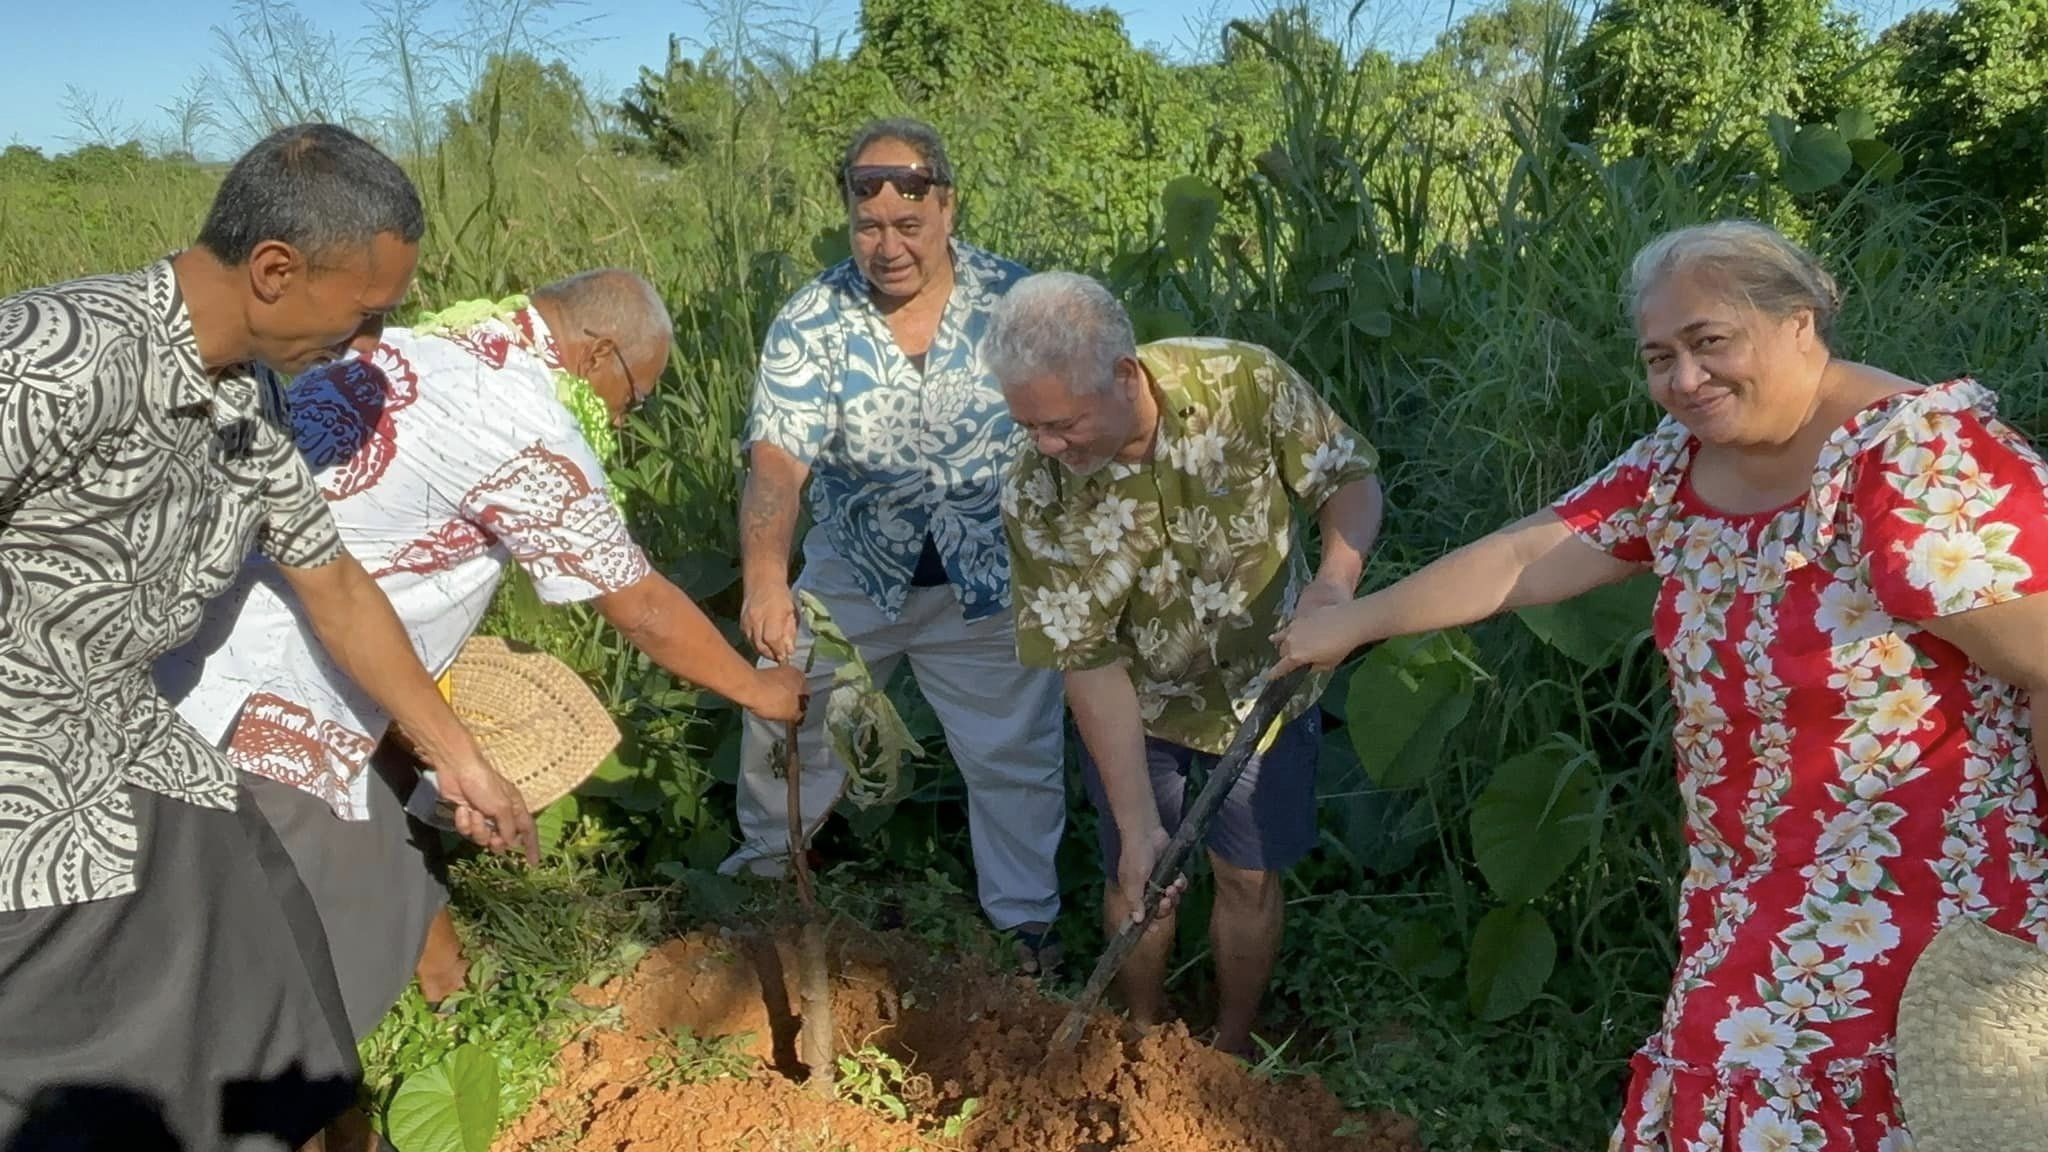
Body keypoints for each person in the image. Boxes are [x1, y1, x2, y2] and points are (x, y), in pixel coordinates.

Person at [1274, 219, 2048, 1149]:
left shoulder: (1911, 458)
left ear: (1801, 321)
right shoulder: (1679, 465)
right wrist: (1350, 623)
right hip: (1748, 882)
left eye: (1710, 342)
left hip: (1918, 895)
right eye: (1659, 356)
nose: (1684, 379)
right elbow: (1532, 554)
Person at [0, 123, 535, 1152]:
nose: (370, 340)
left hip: (140, 757)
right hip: (30, 810)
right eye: (366, 311)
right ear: (277, 269)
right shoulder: (56, 355)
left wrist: (458, 757)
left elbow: (329, 579)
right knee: (78, 1092)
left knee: (289, 1008)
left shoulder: (249, 398)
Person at [158, 268, 808, 1052]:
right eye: (634, 397)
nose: (626, 418)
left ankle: (447, 994)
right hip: (284, 698)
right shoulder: (519, 420)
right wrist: (758, 691)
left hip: (192, 649)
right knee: (304, 955)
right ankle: (295, 1094)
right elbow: (638, 605)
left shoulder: (416, 347)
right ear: (598, 353)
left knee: (396, 826)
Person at [990, 271, 1385, 1057]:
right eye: (1028, 425)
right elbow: (1086, 657)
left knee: (1247, 877)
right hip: (1136, 707)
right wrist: (1138, 828)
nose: (1047, 446)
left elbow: (1348, 479)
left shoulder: (1242, 382)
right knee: (1143, 884)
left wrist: (1335, 585)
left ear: (1124, 375)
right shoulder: (1036, 489)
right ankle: (1144, 1044)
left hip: (1268, 684)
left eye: (1062, 424)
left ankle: (1232, 1049)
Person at [719, 118, 1068, 973]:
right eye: (868, 226)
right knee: (783, 724)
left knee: (1013, 756)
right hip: (854, 570)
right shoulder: (813, 318)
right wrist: (766, 579)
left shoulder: (1016, 305)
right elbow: (776, 463)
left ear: (946, 209)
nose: (888, 246)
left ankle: (1026, 933)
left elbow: (1070, 427)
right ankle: (766, 892)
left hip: (988, 577)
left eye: (908, 225)